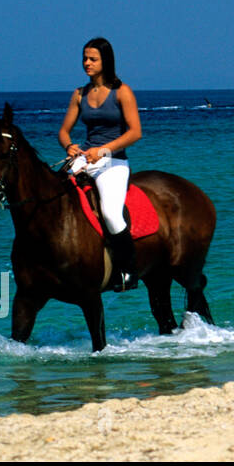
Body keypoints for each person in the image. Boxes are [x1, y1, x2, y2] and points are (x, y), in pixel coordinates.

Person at [58, 37, 143, 290]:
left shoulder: (122, 92)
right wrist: (69, 146)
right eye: (84, 58)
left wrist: (104, 150)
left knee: (110, 214)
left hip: (114, 163)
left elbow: (135, 132)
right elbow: (63, 131)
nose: (87, 63)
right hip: (84, 159)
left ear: (105, 61)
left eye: (92, 59)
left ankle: (129, 271)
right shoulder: (79, 94)